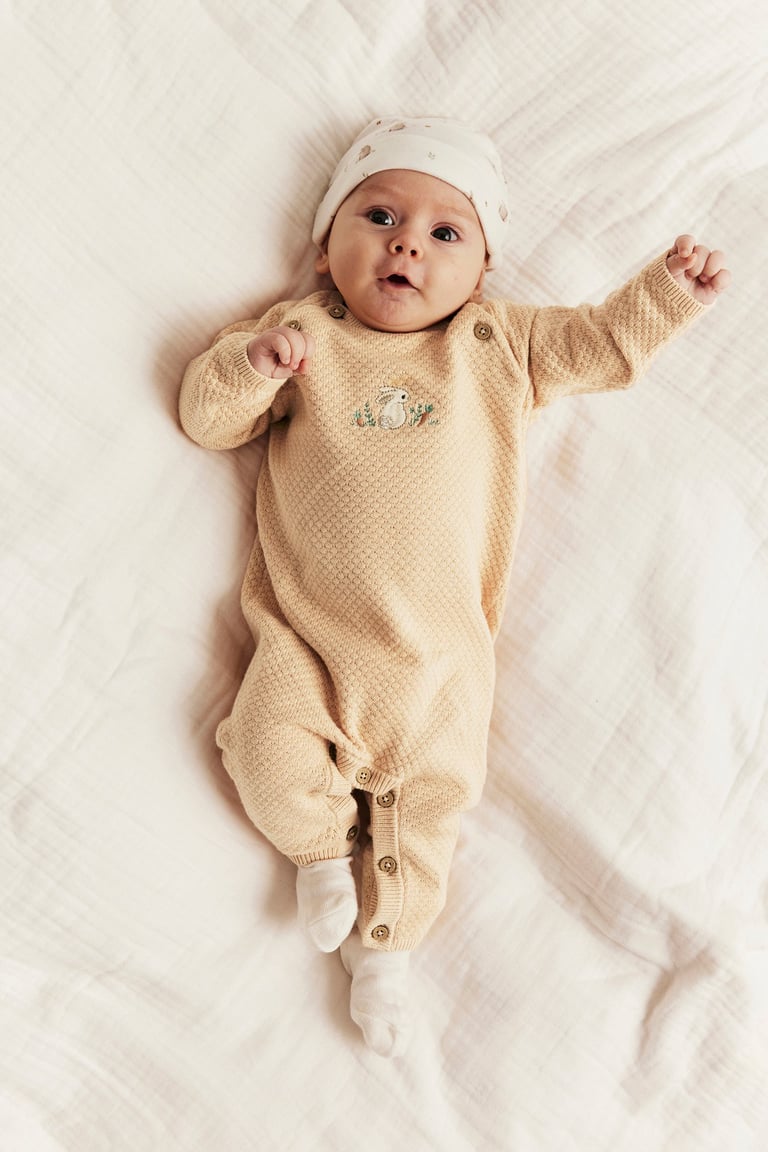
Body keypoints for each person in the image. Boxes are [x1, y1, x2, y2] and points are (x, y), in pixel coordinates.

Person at [179, 116, 731, 1057]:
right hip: (308, 636)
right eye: (379, 217)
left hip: (441, 657)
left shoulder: (496, 342)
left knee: (432, 802)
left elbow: (601, 345)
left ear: (481, 273)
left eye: (444, 233)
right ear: (326, 243)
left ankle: (387, 953)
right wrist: (248, 367)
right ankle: (320, 854)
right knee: (263, 746)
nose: (406, 245)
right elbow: (207, 419)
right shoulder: (301, 334)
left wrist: (666, 293)